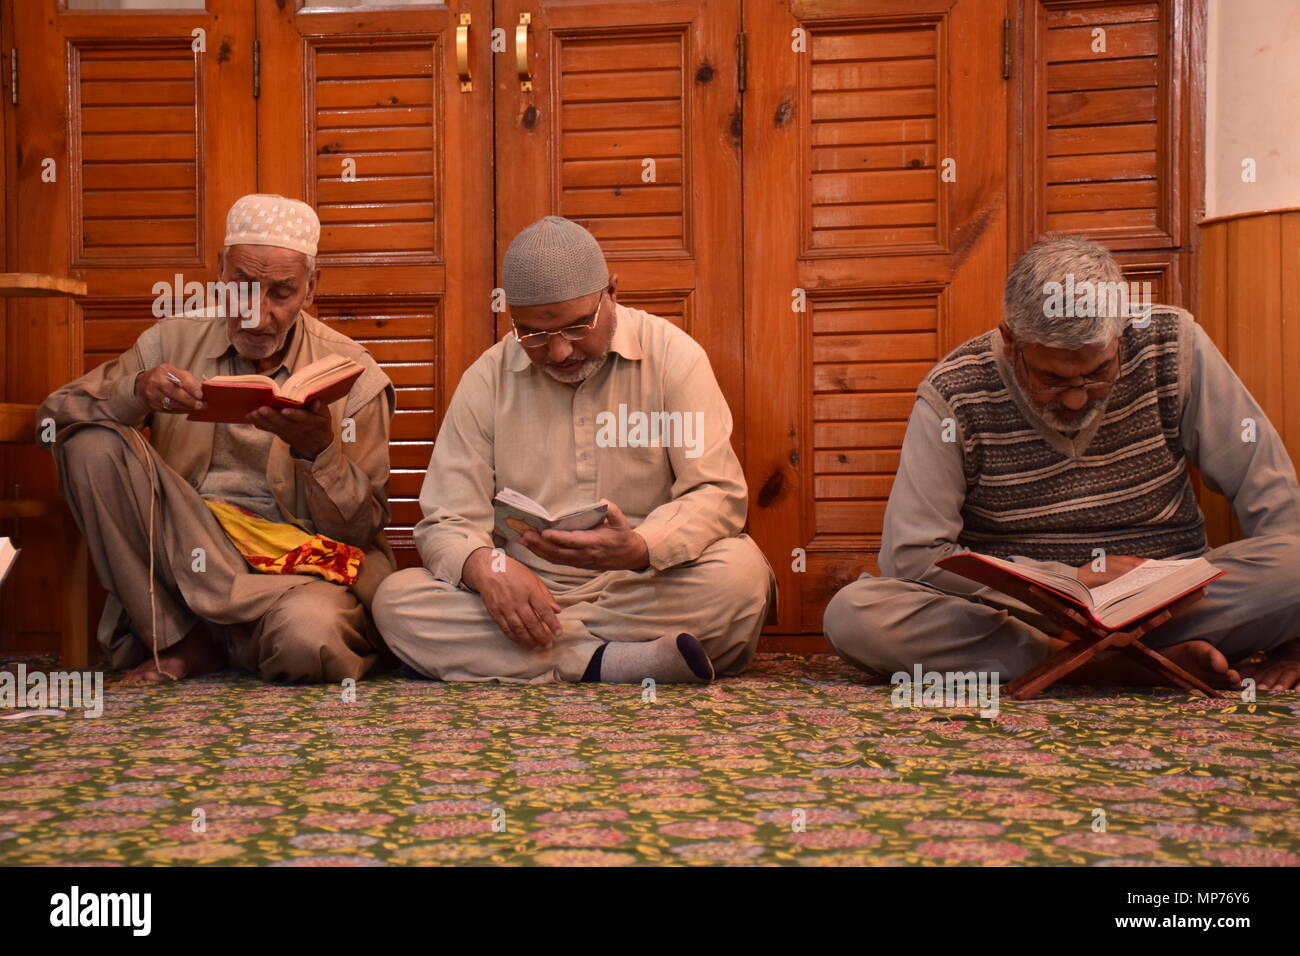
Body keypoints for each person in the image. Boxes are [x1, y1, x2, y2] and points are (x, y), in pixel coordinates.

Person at [824, 234, 1300, 690]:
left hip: (1172, 604)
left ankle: (1083, 662)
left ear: (1122, 333)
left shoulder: (1174, 343)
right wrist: (1066, 580)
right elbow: (912, 555)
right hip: (1025, 615)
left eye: (1098, 374)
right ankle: (1109, 667)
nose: (1076, 401)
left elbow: (1267, 487)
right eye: (1052, 379)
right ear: (1012, 343)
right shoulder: (955, 390)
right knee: (856, 613)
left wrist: (1293, 637)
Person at [373, 216, 775, 684]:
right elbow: (448, 517)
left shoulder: (672, 357)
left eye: (577, 326)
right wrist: (489, 568)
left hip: (645, 583)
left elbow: (716, 493)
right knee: (397, 601)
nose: (560, 352)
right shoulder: (487, 377)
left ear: (613, 293)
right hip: (528, 592)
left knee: (741, 577)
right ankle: (619, 661)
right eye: (535, 336)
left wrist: (640, 547)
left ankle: (556, 657)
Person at [39, 194, 395, 683]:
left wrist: (320, 452)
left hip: (292, 569)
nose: (256, 314)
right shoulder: (168, 343)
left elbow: (358, 534)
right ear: (219, 274)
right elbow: (53, 421)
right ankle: (189, 639)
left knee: (308, 640)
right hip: (185, 545)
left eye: (281, 293)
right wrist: (135, 394)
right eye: (242, 287)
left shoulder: (354, 375)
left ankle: (209, 635)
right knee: (90, 442)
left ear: (311, 288)